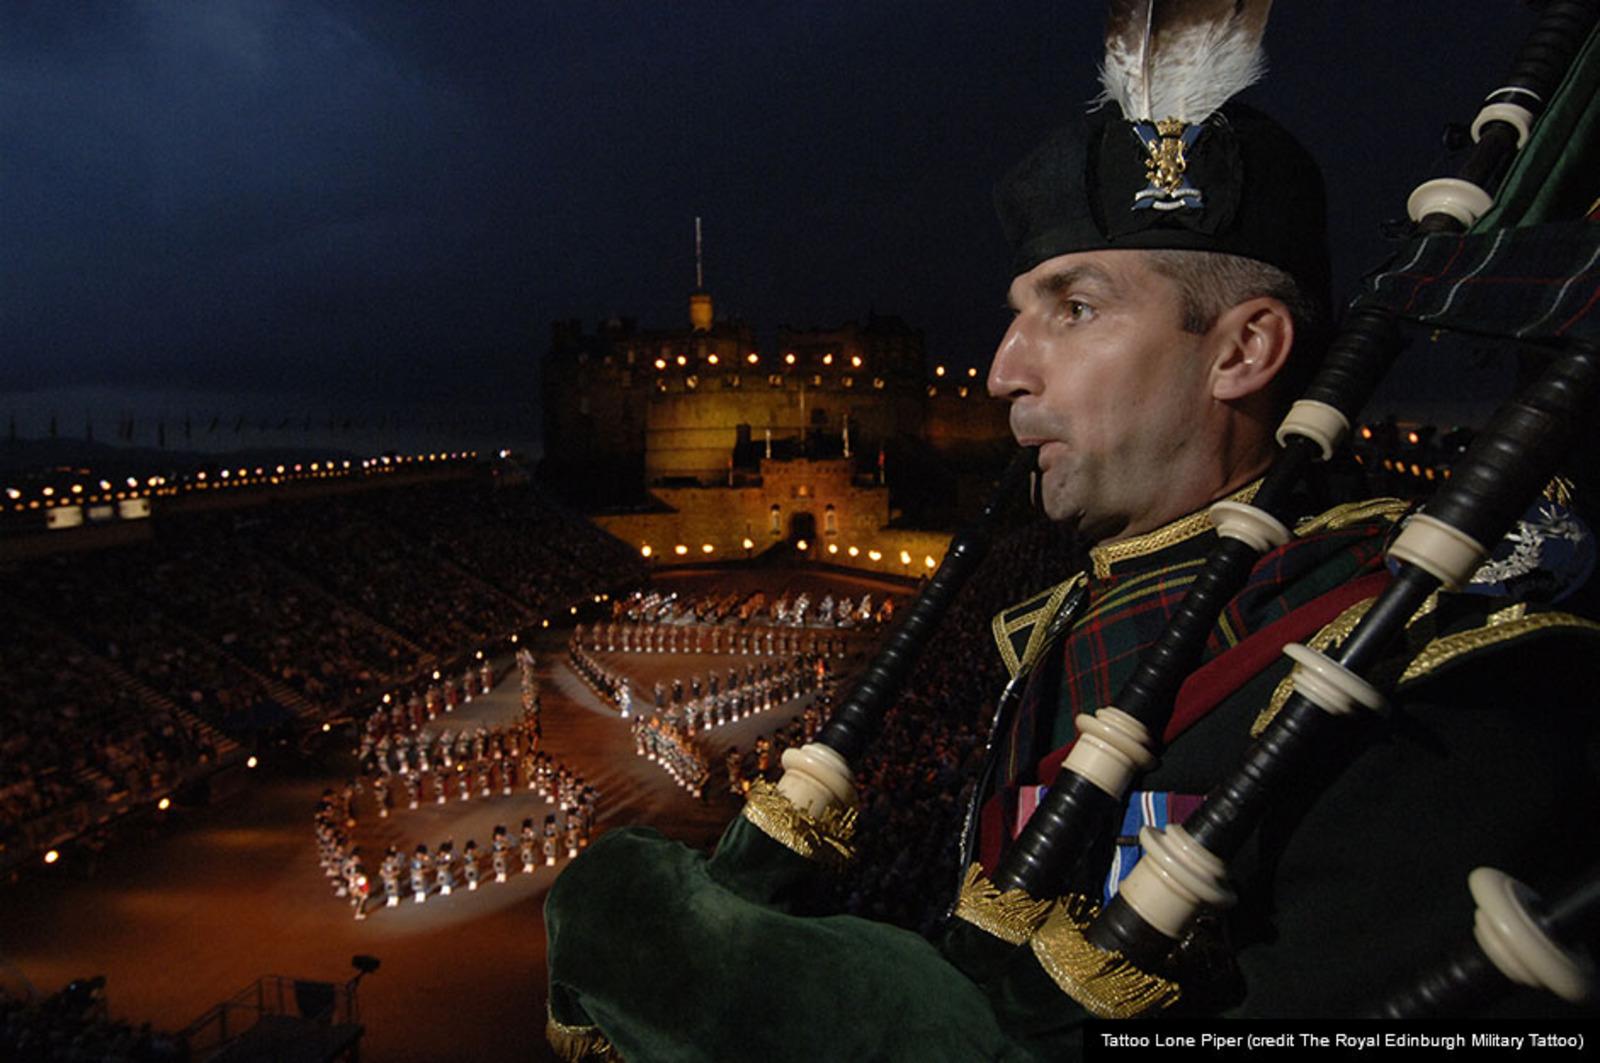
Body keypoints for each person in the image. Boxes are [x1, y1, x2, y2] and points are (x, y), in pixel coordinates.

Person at [544, 6, 1600, 1059]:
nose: (1004, 369)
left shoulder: (1436, 685)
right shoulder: (1069, 627)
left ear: (1242, 352)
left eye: (1074, 307)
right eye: (1019, 311)